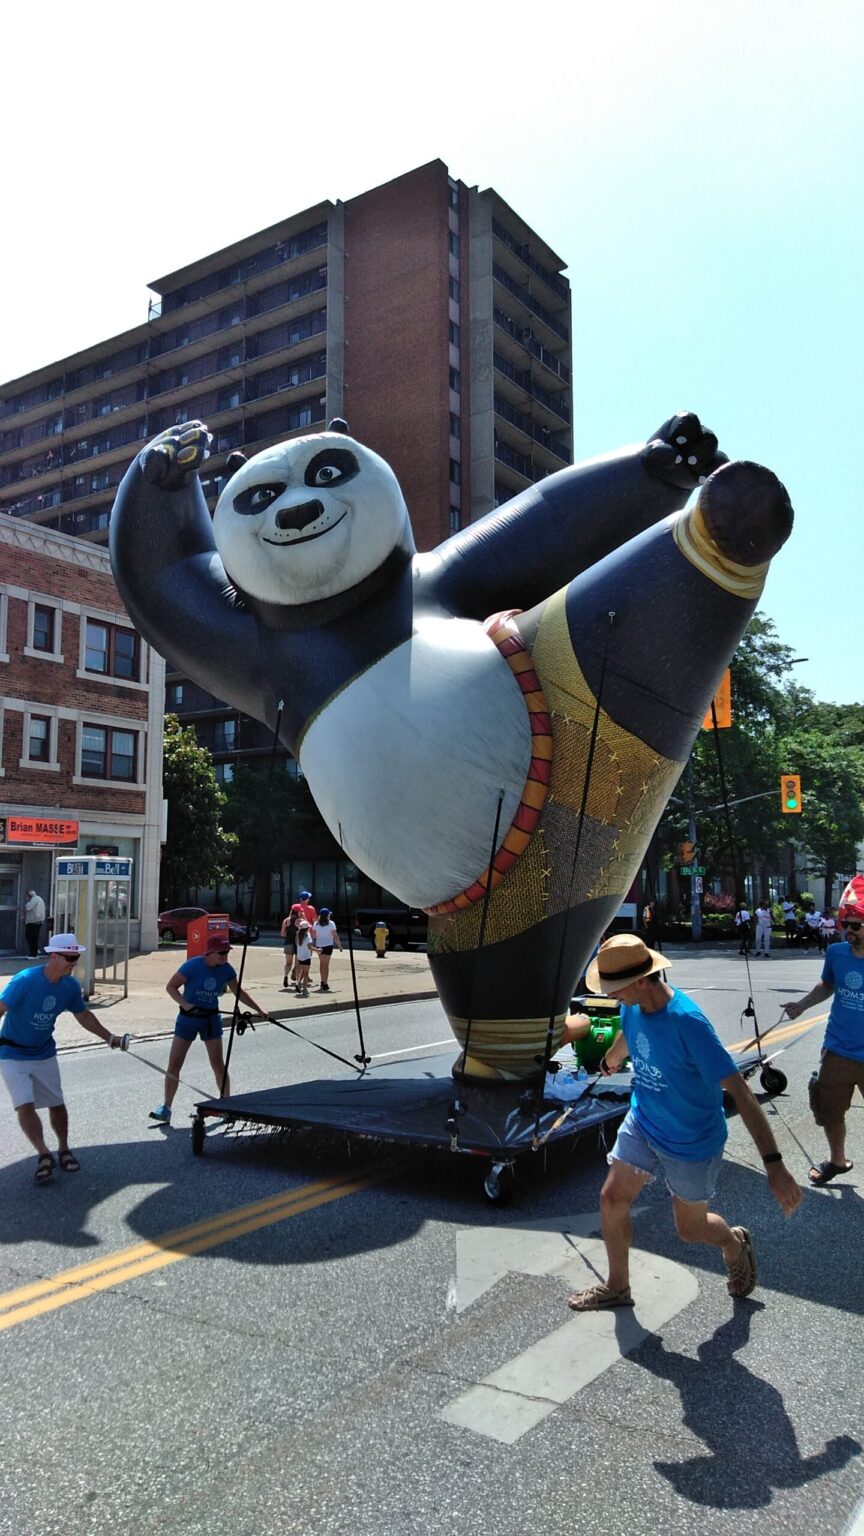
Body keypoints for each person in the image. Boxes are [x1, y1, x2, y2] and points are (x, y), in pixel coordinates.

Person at [565, 933, 802, 1312]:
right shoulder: (632, 1006)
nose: (610, 995)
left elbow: (741, 1092)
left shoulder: (689, 1023)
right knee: (611, 1198)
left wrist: (774, 1166)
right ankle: (617, 1287)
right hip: (644, 1121)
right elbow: (629, 1033)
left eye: (615, 988)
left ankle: (734, 1243)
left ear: (641, 981)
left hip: (692, 1140)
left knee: (691, 1229)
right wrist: (612, 1057)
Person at [0, 933, 128, 1182]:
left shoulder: (69, 986)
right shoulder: (25, 980)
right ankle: (43, 1154)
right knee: (24, 1104)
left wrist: (110, 1038)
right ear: (54, 956)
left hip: (44, 1052)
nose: (74, 962)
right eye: (70, 958)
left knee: (56, 1103)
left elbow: (84, 1016)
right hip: (12, 1052)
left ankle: (63, 1149)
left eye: (76, 957)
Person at [782, 874, 864, 1186]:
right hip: (838, 1049)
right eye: (846, 923)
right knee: (830, 1111)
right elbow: (827, 984)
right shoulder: (836, 953)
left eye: (855, 925)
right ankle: (837, 1161)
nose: (848, 930)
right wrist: (801, 1005)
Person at [150, 934, 268, 1124]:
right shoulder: (192, 966)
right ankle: (166, 1108)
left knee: (218, 1064)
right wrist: (185, 1003)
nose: (225, 956)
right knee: (175, 1064)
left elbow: (238, 992)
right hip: (188, 1019)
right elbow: (171, 987)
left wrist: (259, 1010)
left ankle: (227, 1105)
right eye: (222, 953)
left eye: (227, 952)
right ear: (210, 952)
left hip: (210, 1019)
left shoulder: (226, 969)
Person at [311, 908, 342, 991]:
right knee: (326, 965)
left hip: (319, 945)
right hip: (328, 945)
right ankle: (325, 982)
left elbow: (313, 935)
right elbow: (335, 936)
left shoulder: (316, 924)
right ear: (327, 916)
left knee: (321, 963)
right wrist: (339, 945)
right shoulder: (331, 923)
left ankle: (322, 980)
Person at [280, 905, 300, 988]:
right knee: (298, 963)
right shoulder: (300, 921)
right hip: (298, 943)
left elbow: (282, 934)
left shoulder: (286, 921)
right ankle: (297, 981)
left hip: (288, 942)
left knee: (288, 963)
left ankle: (285, 976)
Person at [23, 889, 46, 958]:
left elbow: (28, 907)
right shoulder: (39, 899)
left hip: (33, 921)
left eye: (27, 895)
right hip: (37, 921)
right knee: (33, 937)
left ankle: (33, 953)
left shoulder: (34, 899)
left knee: (31, 937)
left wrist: (27, 902)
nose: (26, 897)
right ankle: (34, 951)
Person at [293, 920, 314, 997]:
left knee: (303, 971)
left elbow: (297, 944)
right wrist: (318, 950)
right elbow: (309, 947)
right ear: (307, 928)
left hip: (300, 956)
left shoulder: (298, 935)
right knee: (306, 973)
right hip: (306, 956)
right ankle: (304, 989)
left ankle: (298, 983)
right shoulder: (307, 936)